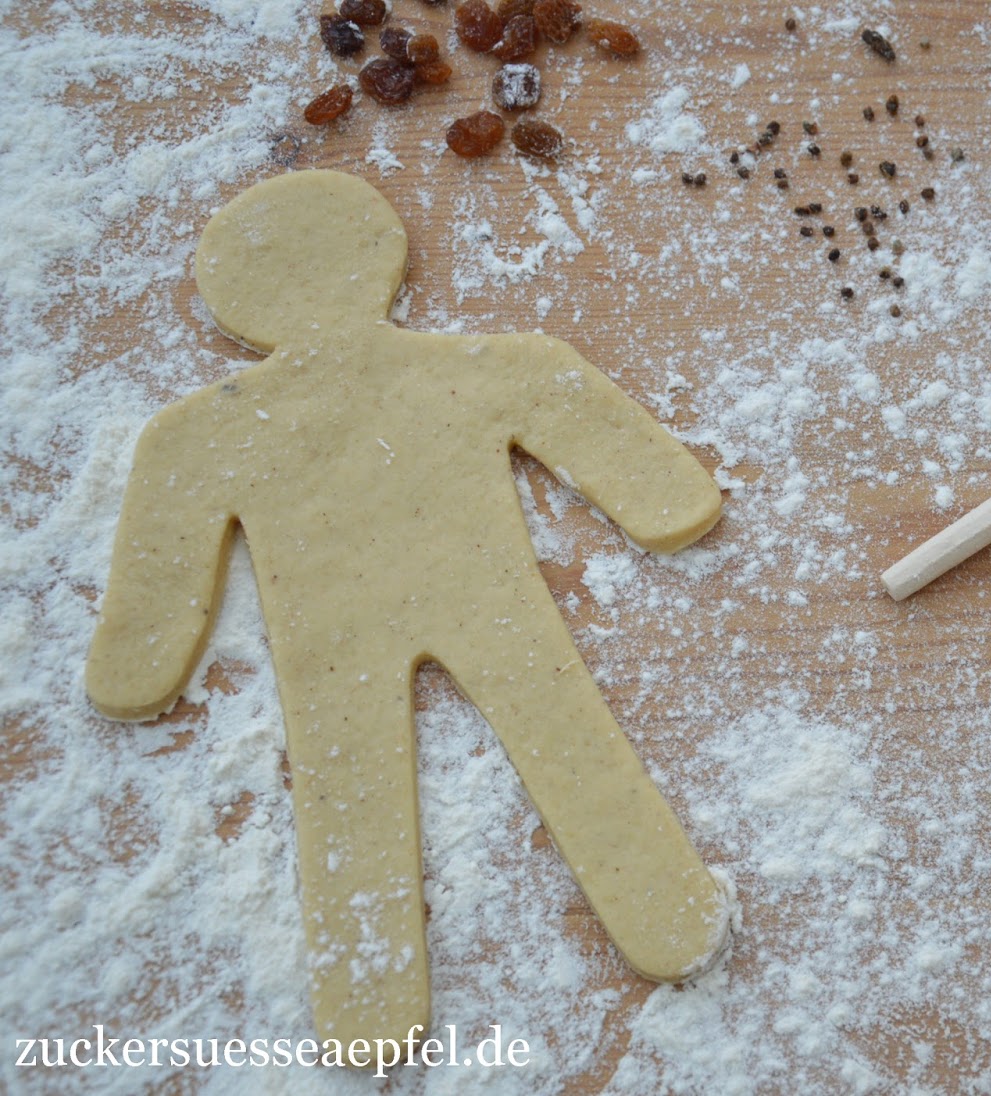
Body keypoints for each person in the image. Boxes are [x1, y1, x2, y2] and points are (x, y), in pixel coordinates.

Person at [86, 171, 732, 1054]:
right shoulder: (490, 366)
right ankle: (670, 914)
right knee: (572, 743)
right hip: (485, 606)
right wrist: (657, 501)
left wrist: (136, 669)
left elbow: (144, 635)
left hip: (333, 646)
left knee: (349, 797)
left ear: (229, 298)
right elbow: (662, 491)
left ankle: (369, 1001)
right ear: (381, 262)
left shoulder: (197, 436)